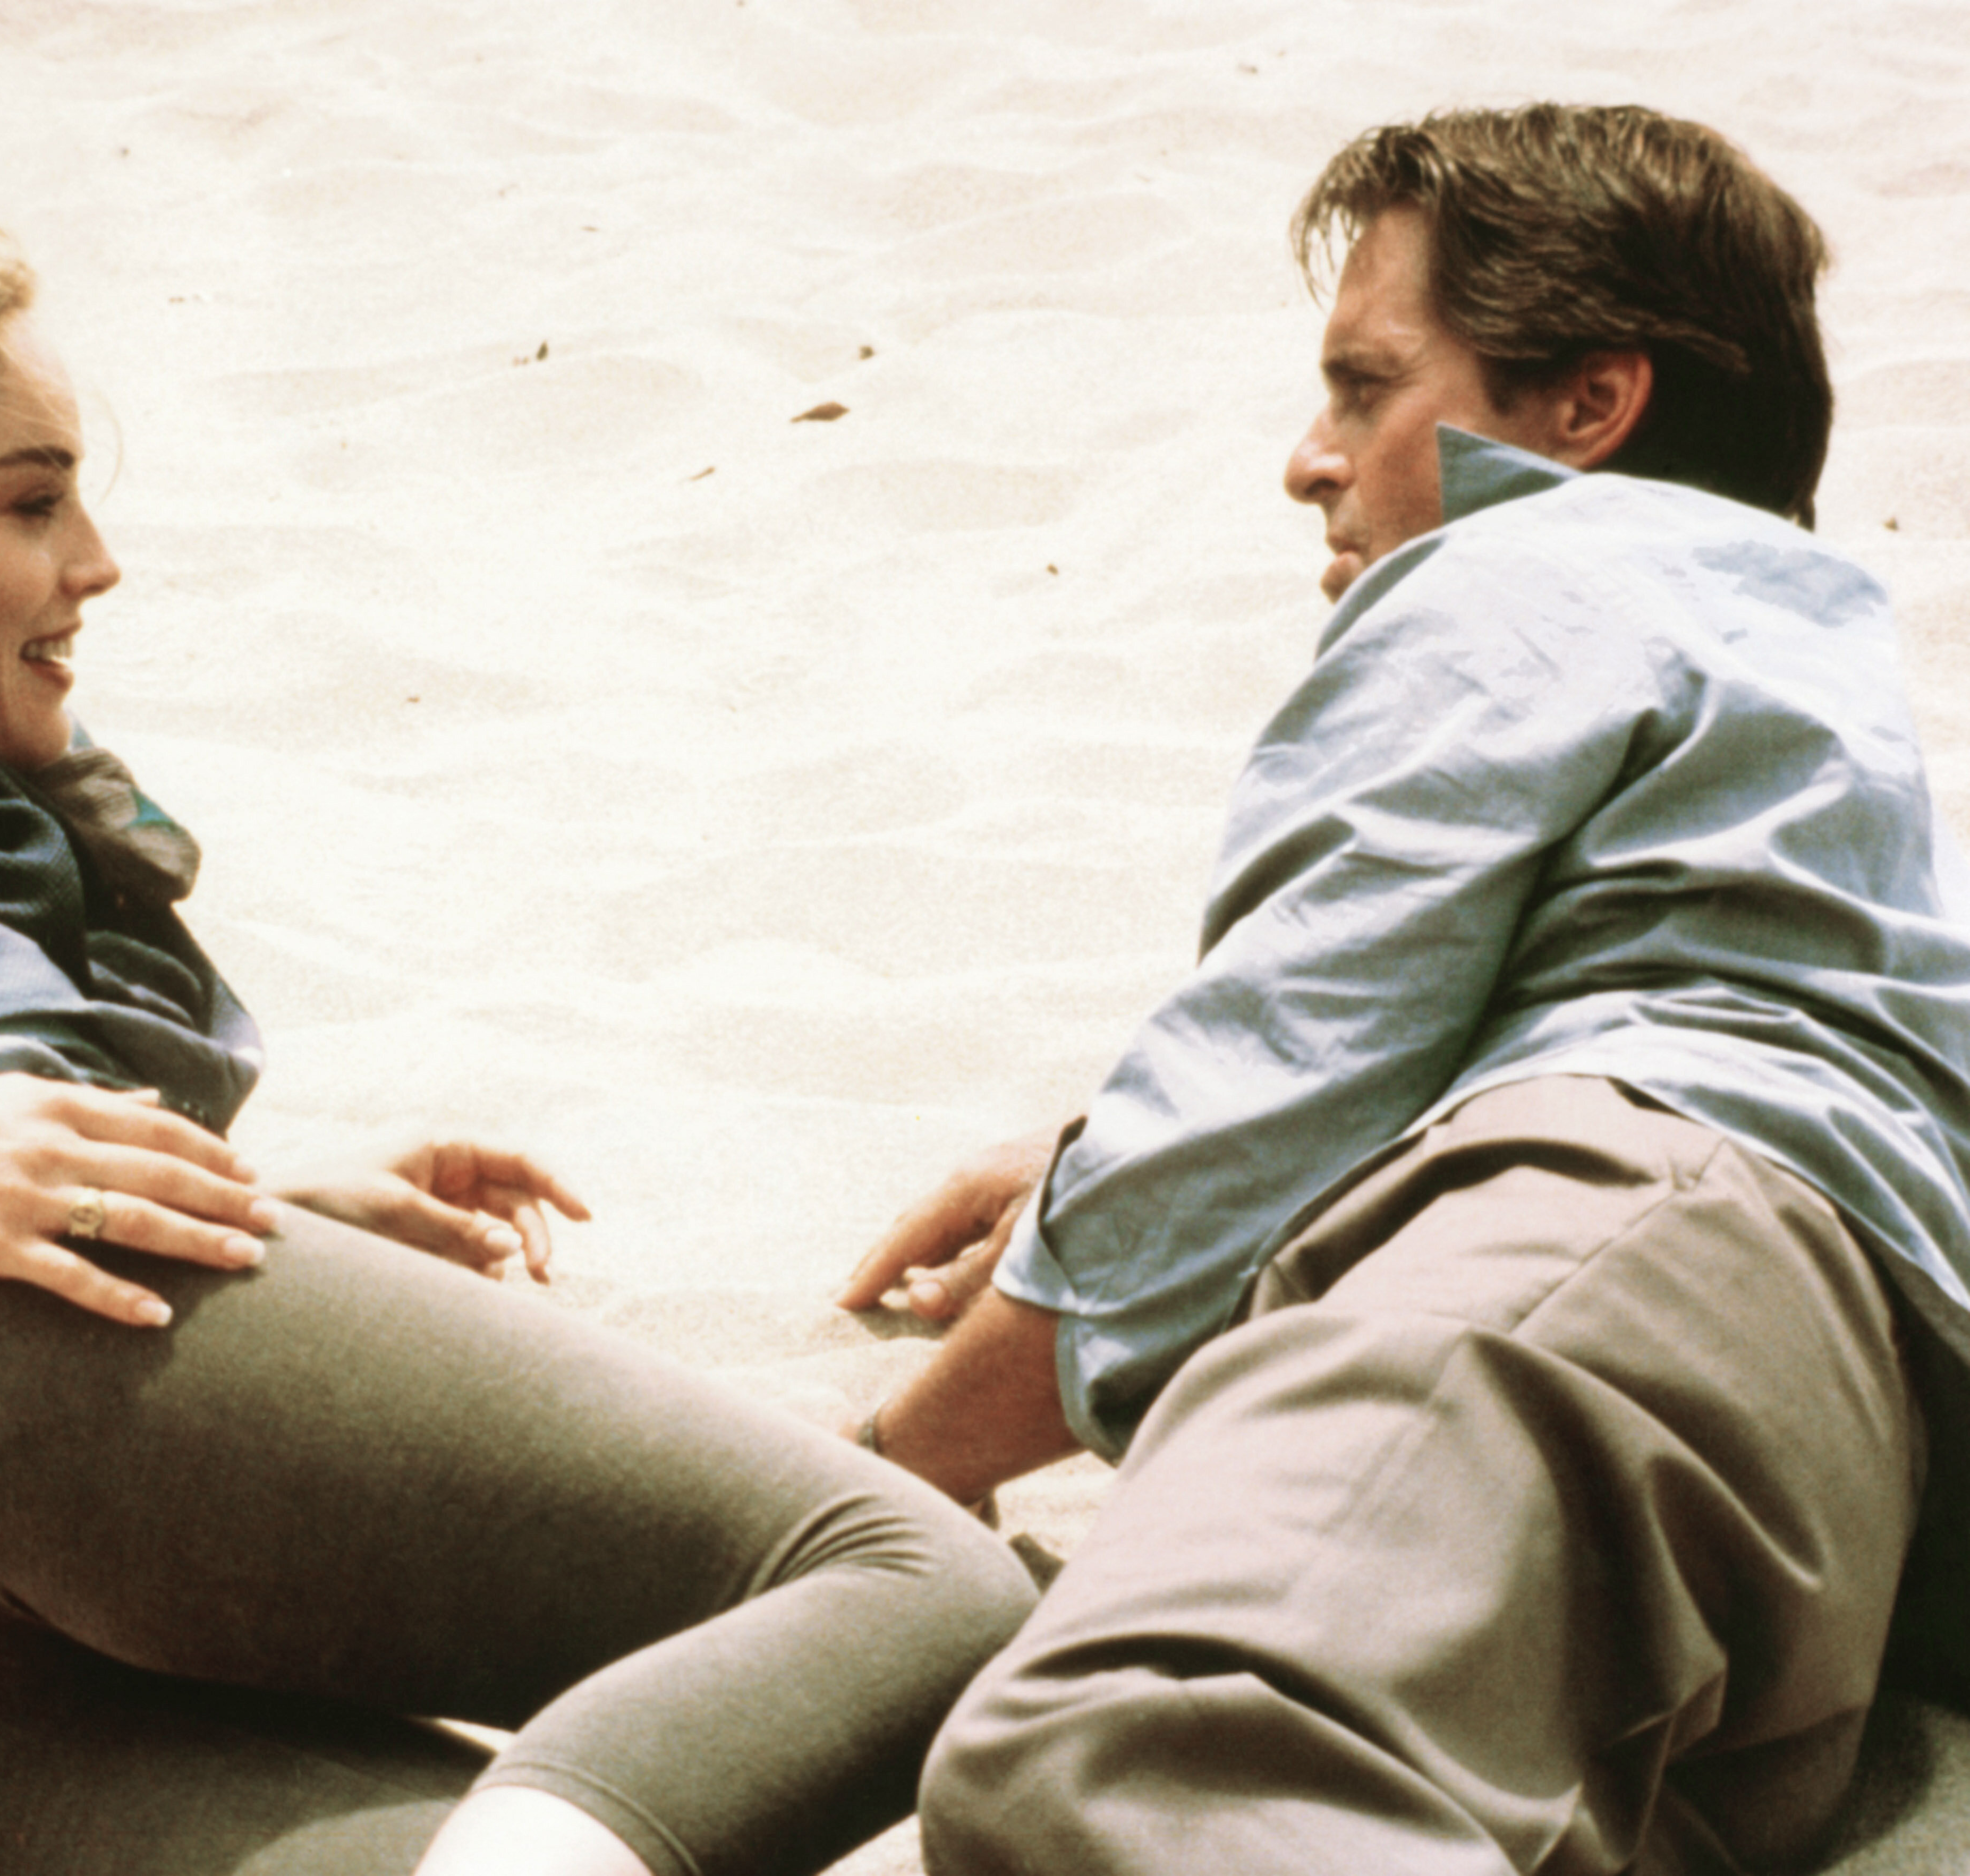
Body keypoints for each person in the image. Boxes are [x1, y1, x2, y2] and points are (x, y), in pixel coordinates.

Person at [0, 205, 1036, 1876]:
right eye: (31, 502)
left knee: (495, 1841)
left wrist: (250, 1197)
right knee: (921, 1588)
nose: (96, 563)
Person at [839, 103, 1970, 1872]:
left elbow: (1267, 1081)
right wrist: (1088, 1165)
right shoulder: (1785, 654)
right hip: (1839, 1472)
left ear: (1590, 407)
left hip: (1618, 1266)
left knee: (1123, 1756)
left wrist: (881, 1481)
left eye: (1367, 388)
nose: (1312, 459)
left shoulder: (1540, 561)